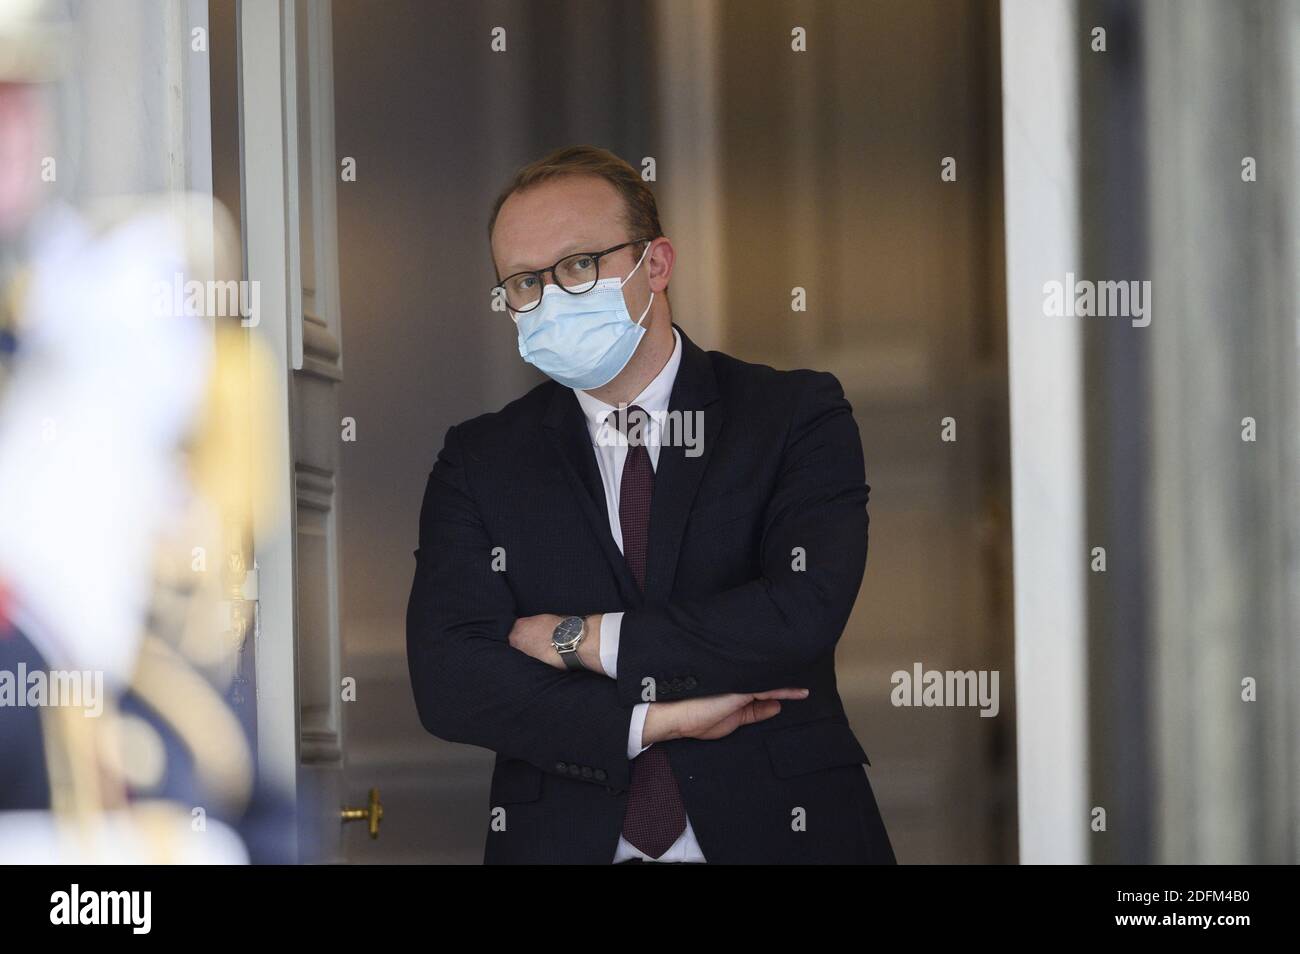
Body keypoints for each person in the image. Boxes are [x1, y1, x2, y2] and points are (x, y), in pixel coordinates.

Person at [406, 145, 895, 864]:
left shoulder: (791, 415)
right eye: (522, 282)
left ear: (656, 265)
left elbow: (802, 611)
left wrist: (581, 639)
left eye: (578, 266)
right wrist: (647, 722)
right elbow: (450, 678)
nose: (550, 296)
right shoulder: (481, 459)